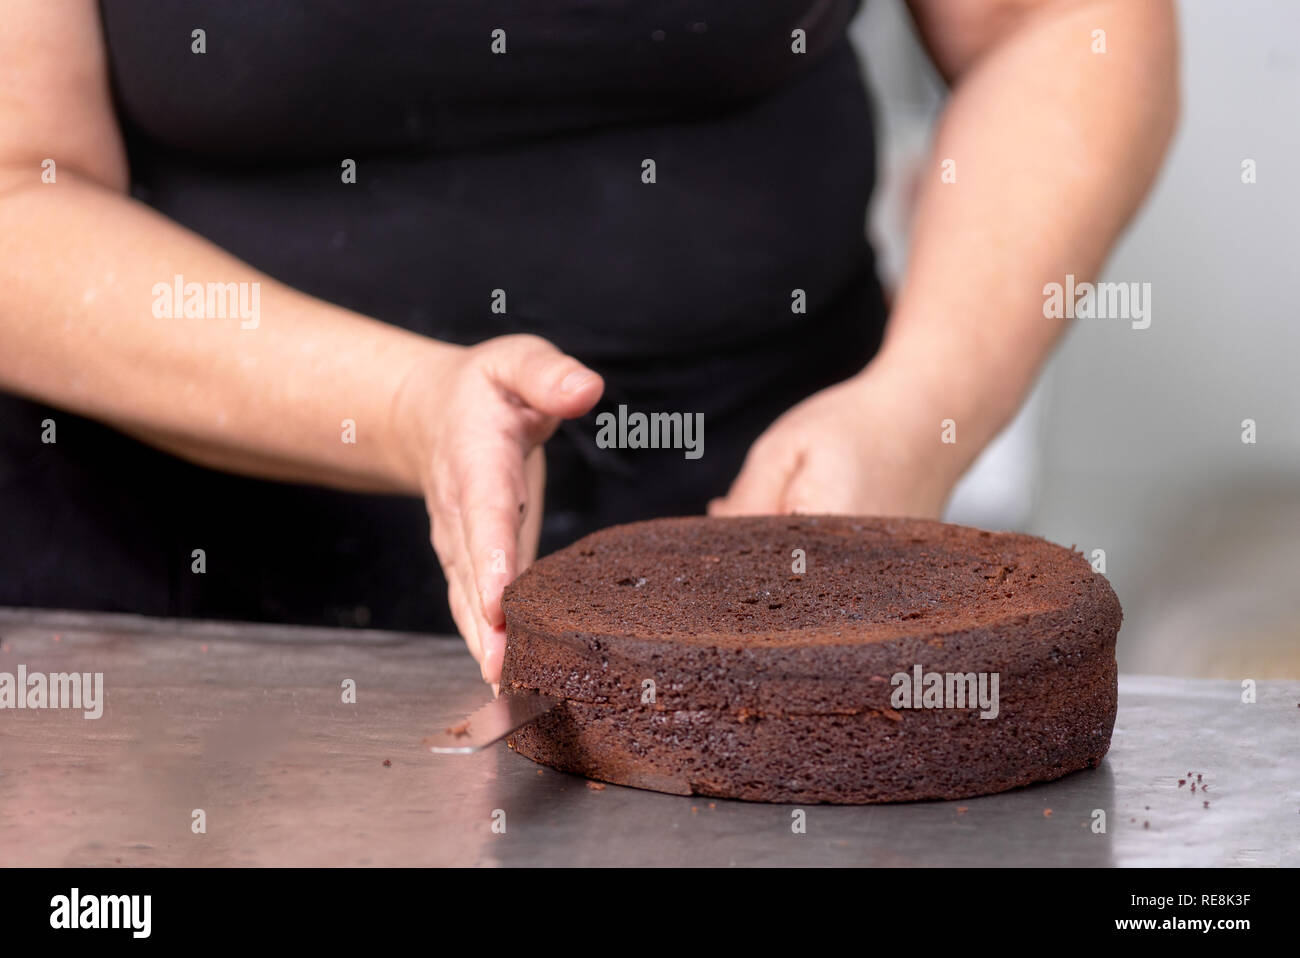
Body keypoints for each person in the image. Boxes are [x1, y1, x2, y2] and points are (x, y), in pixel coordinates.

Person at [0, 1, 1178, 686]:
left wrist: (917, 407)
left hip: (781, 534)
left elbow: (1063, 23)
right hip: (183, 597)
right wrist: (404, 402)